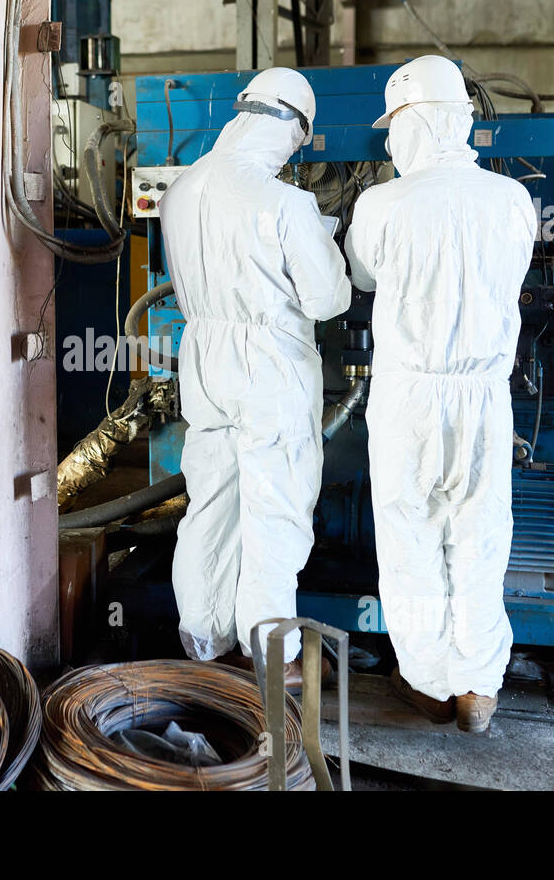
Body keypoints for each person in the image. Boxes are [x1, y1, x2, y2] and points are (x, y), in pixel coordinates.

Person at [344, 55, 537, 733]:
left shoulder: (379, 204)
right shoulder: (513, 201)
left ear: (413, 122)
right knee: (481, 538)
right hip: (484, 396)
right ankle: (478, 688)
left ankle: (427, 684)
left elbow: (361, 279)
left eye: (394, 124)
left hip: (408, 399)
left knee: (410, 539)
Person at [159, 67, 352, 685]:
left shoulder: (180, 191)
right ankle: (272, 656)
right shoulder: (288, 204)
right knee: (277, 503)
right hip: (269, 362)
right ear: (293, 127)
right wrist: (328, 247)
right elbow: (327, 301)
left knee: (211, 496)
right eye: (301, 139)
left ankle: (204, 633)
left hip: (203, 355)